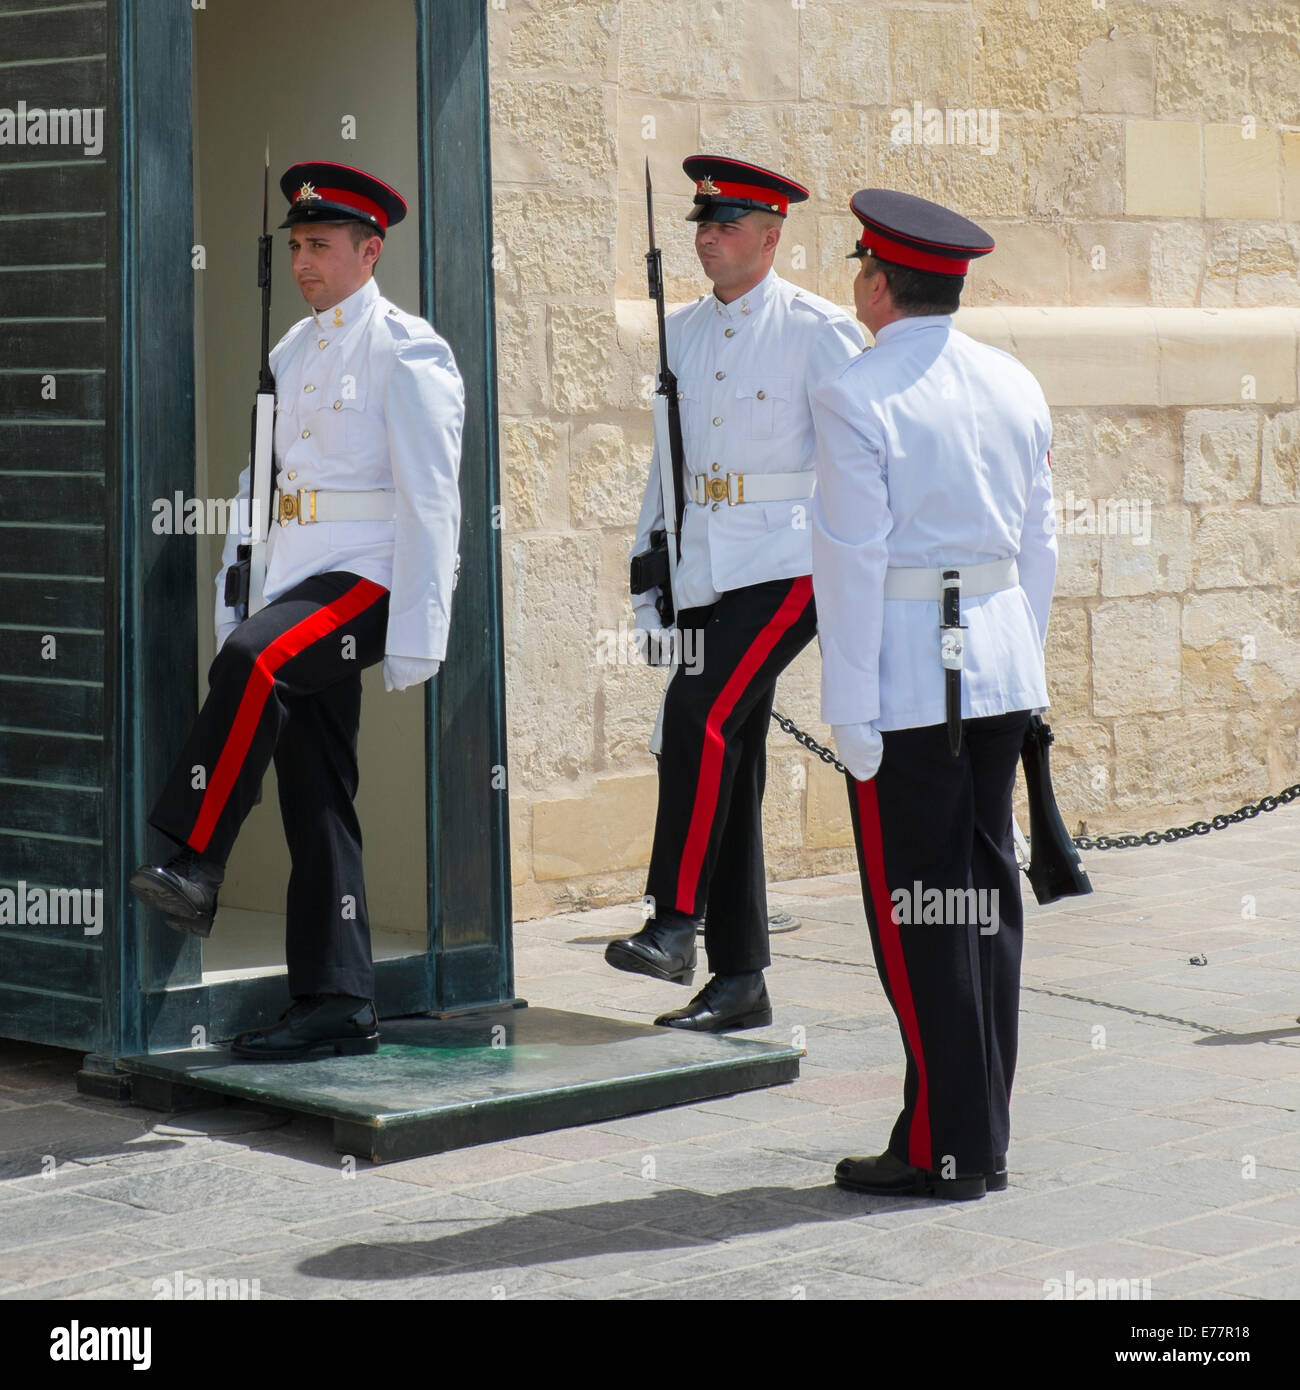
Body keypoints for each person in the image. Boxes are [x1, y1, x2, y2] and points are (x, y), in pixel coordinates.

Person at [129, 161, 465, 1061]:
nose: (306, 260)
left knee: (256, 661)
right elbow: (258, 485)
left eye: (322, 245)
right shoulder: (290, 351)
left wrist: (420, 634)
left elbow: (434, 501)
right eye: (299, 245)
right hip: (298, 579)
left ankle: (195, 860)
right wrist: (236, 590)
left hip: (370, 577)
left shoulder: (408, 348)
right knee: (319, 793)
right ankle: (338, 1000)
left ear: (369, 250)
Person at [809, 188, 1056, 1199]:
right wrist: (1021, 659)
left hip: (909, 684)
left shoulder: (858, 392)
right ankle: (971, 1130)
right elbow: (1039, 542)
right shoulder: (1013, 378)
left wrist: (849, 711)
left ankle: (942, 1146)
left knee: (918, 916)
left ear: (879, 282)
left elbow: (851, 560)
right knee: (984, 907)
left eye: (858, 268)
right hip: (998, 670)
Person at [604, 155, 863, 1032]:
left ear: (771, 235)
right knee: (733, 759)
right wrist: (651, 582)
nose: (709, 239)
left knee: (697, 715)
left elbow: (859, 464)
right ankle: (741, 979)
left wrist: (857, 577)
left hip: (793, 565)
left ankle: (673, 924)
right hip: (710, 566)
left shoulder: (819, 330)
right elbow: (665, 471)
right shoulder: (681, 330)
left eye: (727, 225)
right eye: (702, 225)